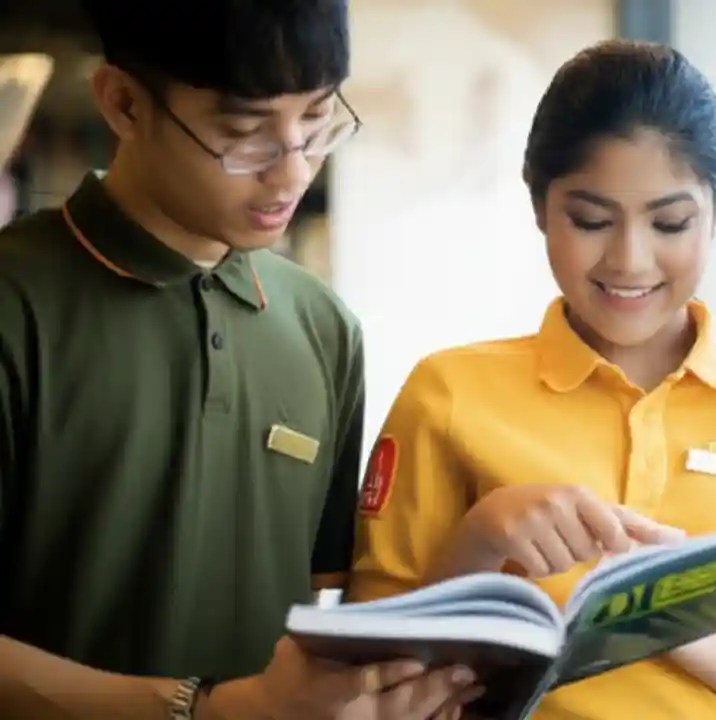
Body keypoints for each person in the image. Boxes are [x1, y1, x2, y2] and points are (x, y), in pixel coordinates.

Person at [348, 40, 716, 720]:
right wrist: (480, 539)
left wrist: (662, 601)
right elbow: (371, 688)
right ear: (539, 207)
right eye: (591, 221)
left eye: (670, 222)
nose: (630, 260)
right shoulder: (449, 393)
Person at [0, 2, 474, 718]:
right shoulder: (15, 304)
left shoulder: (324, 329)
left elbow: (311, 623)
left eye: (317, 123)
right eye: (245, 135)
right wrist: (204, 710)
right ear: (124, 104)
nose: (293, 175)